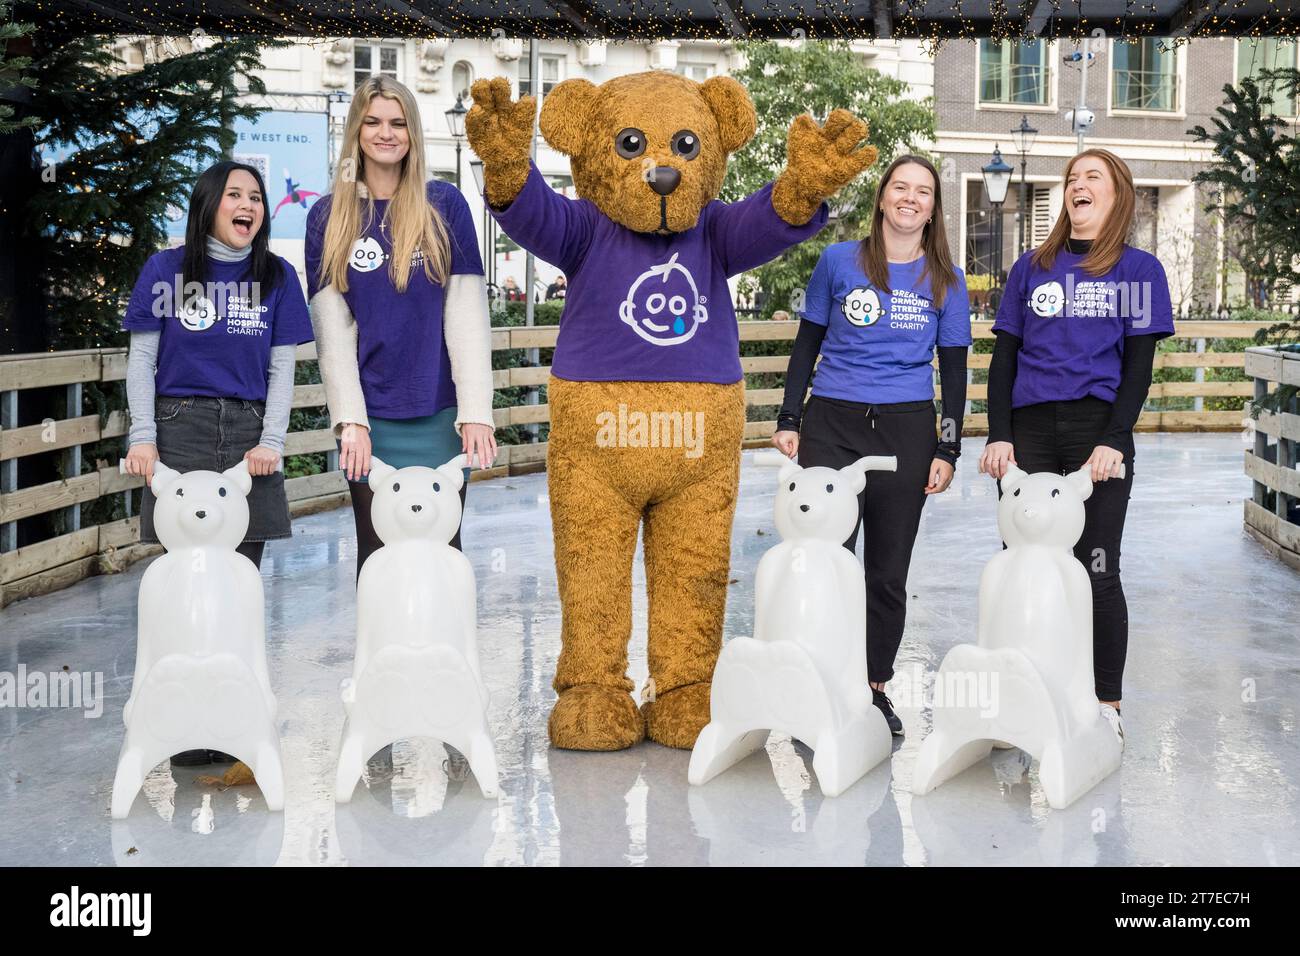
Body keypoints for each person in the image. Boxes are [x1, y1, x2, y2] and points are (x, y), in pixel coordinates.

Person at [979, 148, 1174, 747]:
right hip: (1030, 430)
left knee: (1097, 570)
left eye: (1093, 177)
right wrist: (999, 433)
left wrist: (1115, 439)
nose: (1077, 186)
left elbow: (1139, 366)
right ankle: (1017, 704)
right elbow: (1005, 356)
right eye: (1071, 178)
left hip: (1097, 434)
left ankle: (1104, 704)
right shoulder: (1030, 267)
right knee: (1024, 567)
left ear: (1118, 195)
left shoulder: (1139, 270)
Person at [122, 159, 314, 767]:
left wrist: (274, 442)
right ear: (208, 205)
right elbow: (141, 363)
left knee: (240, 585)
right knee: (185, 585)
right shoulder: (166, 270)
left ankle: (234, 717)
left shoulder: (278, 277)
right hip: (180, 429)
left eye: (256, 197)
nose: (248, 205)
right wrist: (144, 436)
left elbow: (284, 368)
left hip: (249, 436)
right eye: (234, 195)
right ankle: (180, 723)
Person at [773, 155, 971, 736]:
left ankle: (872, 686)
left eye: (924, 192)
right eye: (901, 188)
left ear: (934, 208)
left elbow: (954, 371)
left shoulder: (946, 279)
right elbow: (807, 343)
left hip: (907, 428)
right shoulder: (839, 262)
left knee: (886, 571)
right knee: (825, 561)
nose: (911, 199)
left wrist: (948, 448)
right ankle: (817, 678)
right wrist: (791, 416)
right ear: (882, 197)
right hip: (832, 423)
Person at [304, 75, 495, 574]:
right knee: (377, 558)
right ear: (356, 132)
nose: (385, 133)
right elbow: (333, 331)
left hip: (441, 416)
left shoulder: (444, 204)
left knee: (442, 555)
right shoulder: (328, 217)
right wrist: (352, 422)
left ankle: (443, 653)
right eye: (372, 122)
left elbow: (466, 312)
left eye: (397, 122)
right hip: (373, 423)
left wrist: (475, 411)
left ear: (412, 132)